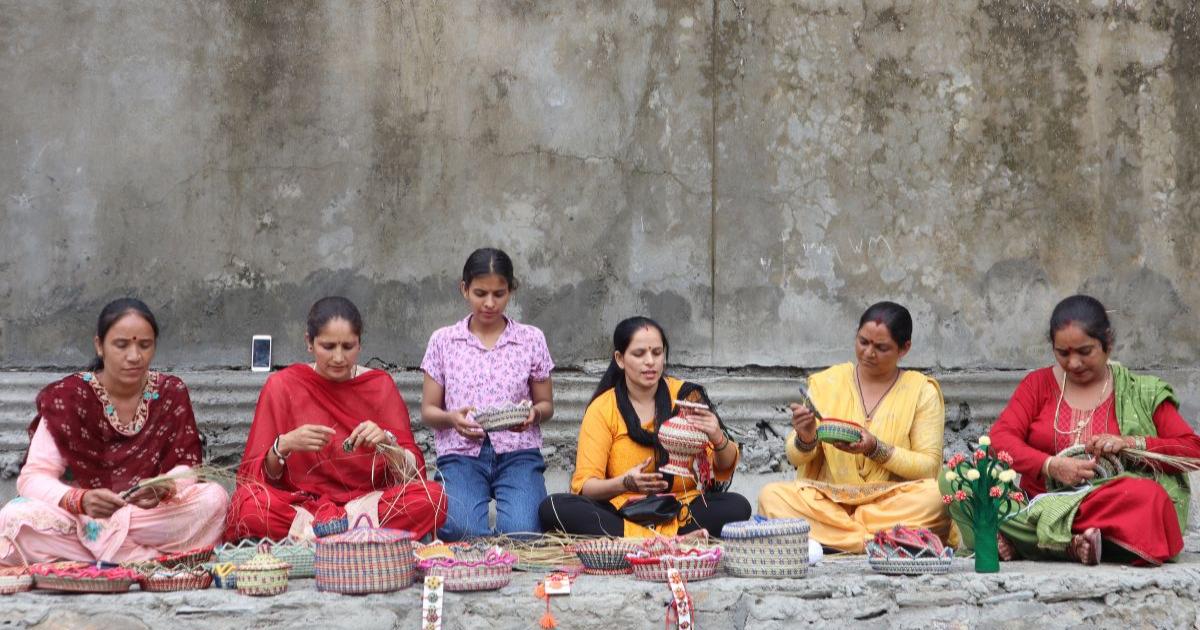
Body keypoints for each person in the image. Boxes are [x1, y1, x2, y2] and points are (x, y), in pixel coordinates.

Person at [963, 295, 1200, 565]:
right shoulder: (1037, 385)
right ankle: (1070, 543)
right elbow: (1000, 440)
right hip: (1036, 502)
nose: (1073, 363)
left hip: (1101, 504)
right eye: (1063, 353)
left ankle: (1030, 541)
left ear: (1107, 344)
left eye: (1085, 352)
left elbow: (1192, 451)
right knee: (963, 484)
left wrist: (1129, 444)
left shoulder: (1142, 391)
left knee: (1148, 497)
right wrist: (1050, 465)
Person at [0, 299, 227, 565]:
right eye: (122, 345)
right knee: (13, 518)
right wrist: (79, 500)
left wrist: (164, 488)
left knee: (214, 499)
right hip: (83, 516)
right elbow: (32, 477)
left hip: (147, 513)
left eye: (144, 345)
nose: (134, 356)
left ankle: (97, 555)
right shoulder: (69, 398)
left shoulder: (170, 392)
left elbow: (187, 467)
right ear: (100, 345)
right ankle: (145, 559)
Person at [225, 297, 446, 541]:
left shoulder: (380, 386)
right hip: (303, 509)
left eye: (348, 347)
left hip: (366, 505)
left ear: (360, 344)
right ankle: (354, 535)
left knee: (432, 499)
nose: (339, 358)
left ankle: (318, 537)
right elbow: (251, 478)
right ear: (309, 343)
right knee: (245, 507)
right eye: (328, 347)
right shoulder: (282, 386)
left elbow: (414, 476)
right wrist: (284, 445)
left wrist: (386, 444)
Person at [757, 302, 951, 552]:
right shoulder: (827, 382)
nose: (868, 353)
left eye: (881, 348)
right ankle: (876, 540)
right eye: (863, 342)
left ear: (905, 349)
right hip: (830, 500)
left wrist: (875, 448)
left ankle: (832, 539)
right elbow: (794, 455)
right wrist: (806, 439)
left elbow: (928, 467)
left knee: (936, 498)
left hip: (891, 501)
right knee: (771, 496)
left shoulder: (922, 391)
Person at [539, 316, 750, 537]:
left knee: (738, 506)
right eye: (639, 354)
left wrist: (717, 437)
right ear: (620, 359)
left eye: (657, 353)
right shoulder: (603, 407)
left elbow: (721, 469)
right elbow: (586, 487)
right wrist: (625, 482)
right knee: (554, 508)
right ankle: (669, 541)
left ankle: (641, 540)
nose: (650, 361)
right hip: (623, 510)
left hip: (680, 508)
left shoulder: (686, 397)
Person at [420, 248, 555, 540]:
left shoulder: (531, 339)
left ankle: (507, 523)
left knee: (524, 534)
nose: (490, 303)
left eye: (499, 293)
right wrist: (452, 419)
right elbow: (429, 411)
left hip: (518, 454)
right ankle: (475, 526)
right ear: (464, 289)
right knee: (459, 531)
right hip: (461, 455)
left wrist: (533, 415)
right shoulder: (444, 341)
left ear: (511, 291)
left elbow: (546, 404)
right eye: (480, 293)